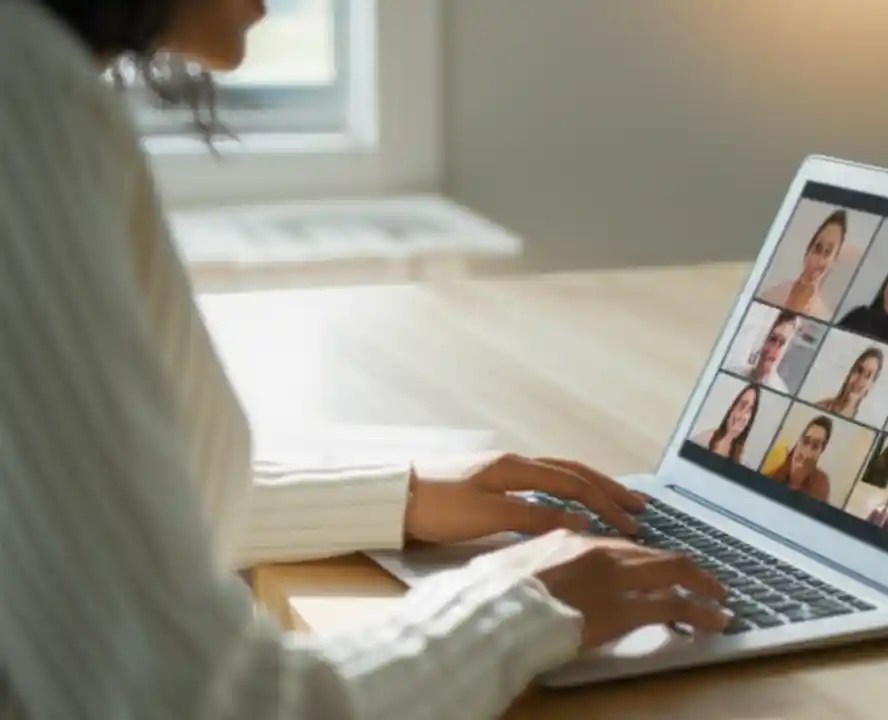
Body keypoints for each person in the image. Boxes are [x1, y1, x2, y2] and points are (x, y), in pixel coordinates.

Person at [0, 3, 729, 719]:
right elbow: (185, 702)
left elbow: (72, 502)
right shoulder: (23, 98)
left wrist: (394, 497)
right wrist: (515, 605)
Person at [757, 209, 848, 319]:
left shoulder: (822, 317)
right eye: (818, 248)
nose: (820, 260)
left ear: (834, 261)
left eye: (828, 251)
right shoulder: (772, 295)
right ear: (807, 252)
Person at [727, 310, 800, 393]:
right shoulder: (732, 375)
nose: (774, 350)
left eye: (782, 343)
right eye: (772, 339)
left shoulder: (779, 391)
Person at [764, 416, 833, 503]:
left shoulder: (821, 485)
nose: (805, 453)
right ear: (799, 440)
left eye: (815, 446)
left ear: (821, 451)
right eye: (805, 441)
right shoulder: (772, 476)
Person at [692, 383, 760, 464]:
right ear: (733, 407)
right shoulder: (705, 439)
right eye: (742, 406)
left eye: (750, 411)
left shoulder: (741, 457)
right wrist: (730, 434)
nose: (744, 415)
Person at [815, 347, 883, 420]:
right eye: (859, 370)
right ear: (850, 373)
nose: (859, 380)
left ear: (871, 385)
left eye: (868, 376)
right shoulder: (820, 407)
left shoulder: (866, 422)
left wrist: (850, 407)